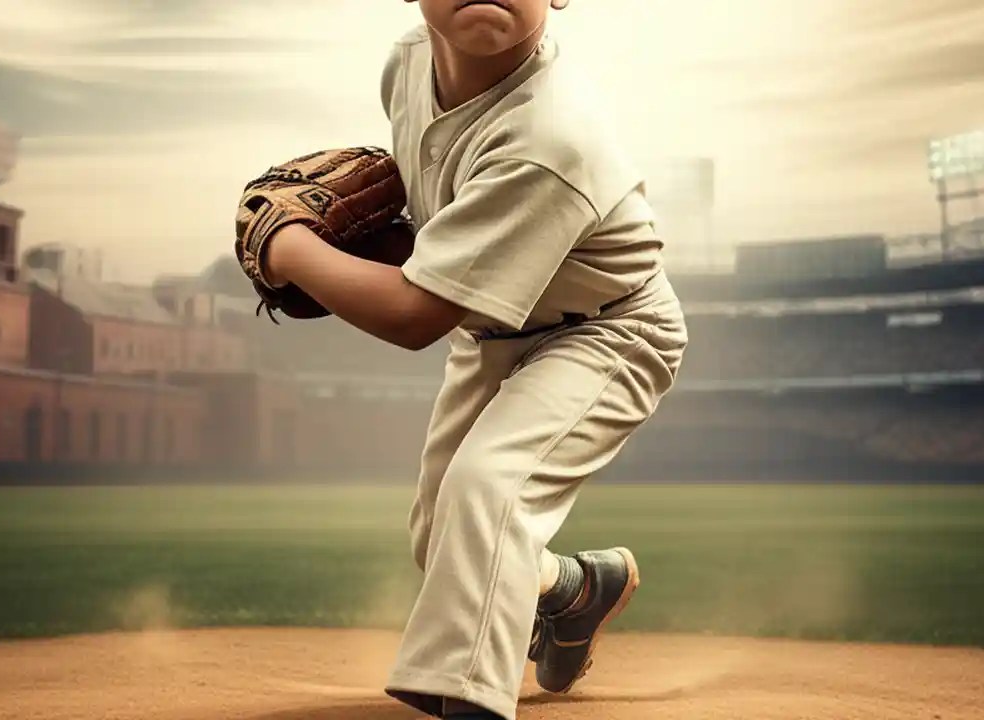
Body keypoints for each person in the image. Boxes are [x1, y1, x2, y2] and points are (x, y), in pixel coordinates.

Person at [257, 1, 688, 717]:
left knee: (487, 491)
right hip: (492, 328)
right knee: (444, 541)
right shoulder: (406, 63)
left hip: (611, 329)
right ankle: (574, 590)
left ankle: (468, 701)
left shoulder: (553, 132)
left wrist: (289, 247)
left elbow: (415, 315)